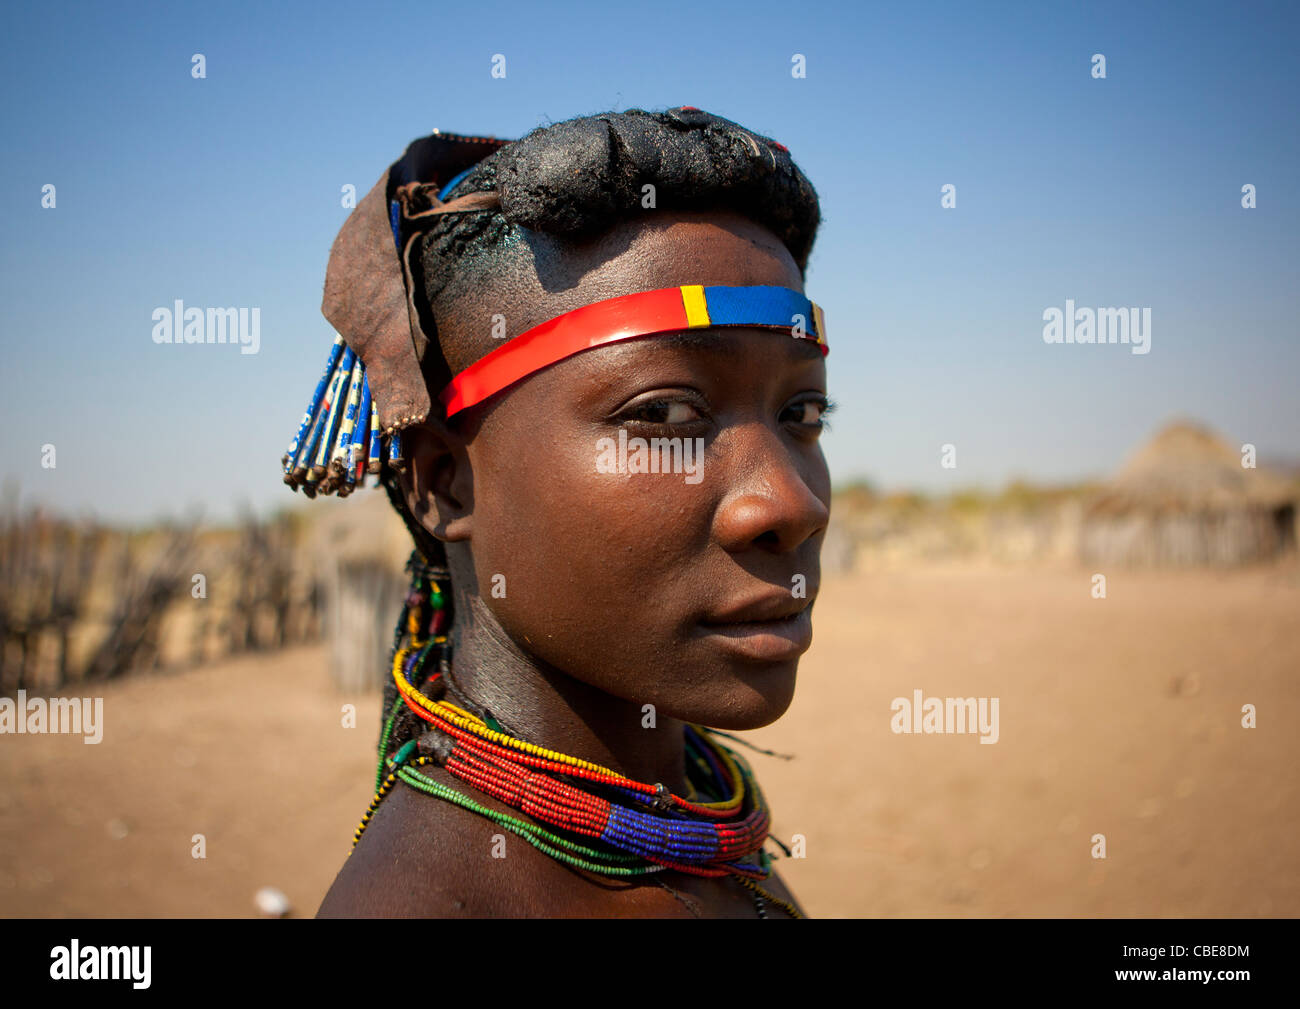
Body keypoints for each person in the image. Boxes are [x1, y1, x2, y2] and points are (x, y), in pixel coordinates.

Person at [282, 106, 832, 918]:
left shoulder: (707, 841)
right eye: (668, 416)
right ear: (447, 483)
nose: (792, 501)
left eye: (803, 416)